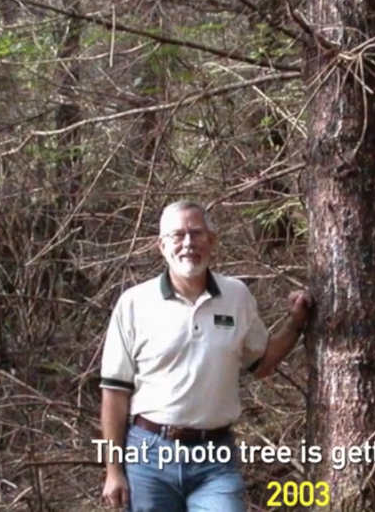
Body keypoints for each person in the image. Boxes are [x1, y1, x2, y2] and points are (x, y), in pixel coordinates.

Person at [97, 199, 313, 511]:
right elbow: (114, 394)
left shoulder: (236, 296)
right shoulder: (134, 304)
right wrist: (113, 470)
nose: (188, 243)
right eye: (177, 235)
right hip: (149, 454)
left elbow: (261, 363)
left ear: (212, 241)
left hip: (214, 456)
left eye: (197, 233)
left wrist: (295, 323)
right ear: (161, 245)